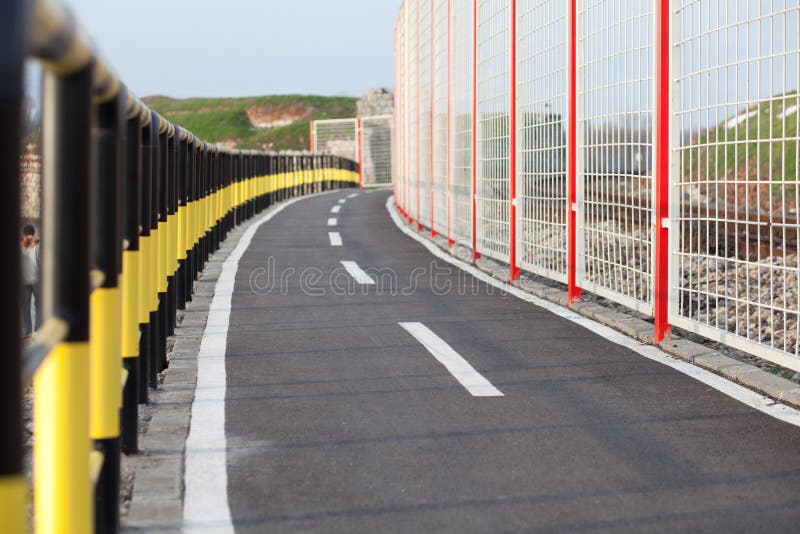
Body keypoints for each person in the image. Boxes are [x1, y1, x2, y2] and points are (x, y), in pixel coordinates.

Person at [21, 224, 41, 336]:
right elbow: (40, 261)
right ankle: (37, 330)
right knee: (38, 305)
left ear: (24, 234)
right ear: (33, 233)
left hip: (23, 281)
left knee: (25, 306)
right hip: (36, 279)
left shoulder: (20, 244)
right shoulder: (38, 245)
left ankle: (27, 331)